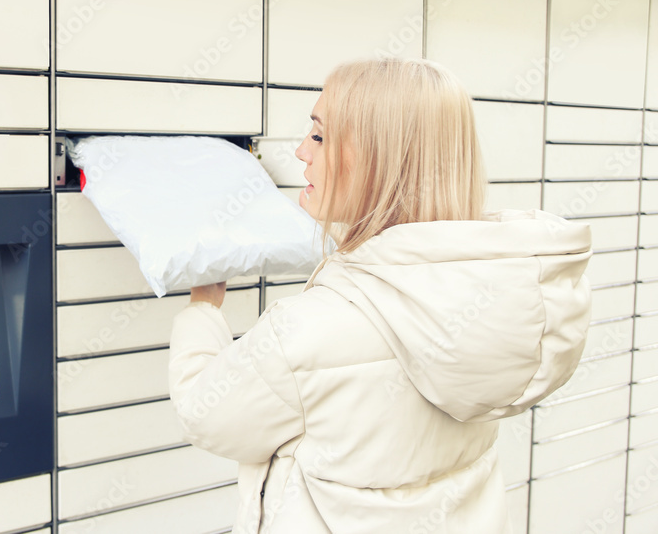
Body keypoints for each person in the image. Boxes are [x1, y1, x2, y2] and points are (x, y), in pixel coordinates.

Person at [168, 57, 592, 533]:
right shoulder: (492, 296)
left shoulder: (309, 333)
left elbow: (206, 415)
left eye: (321, 136)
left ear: (378, 159)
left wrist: (203, 308)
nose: (301, 152)